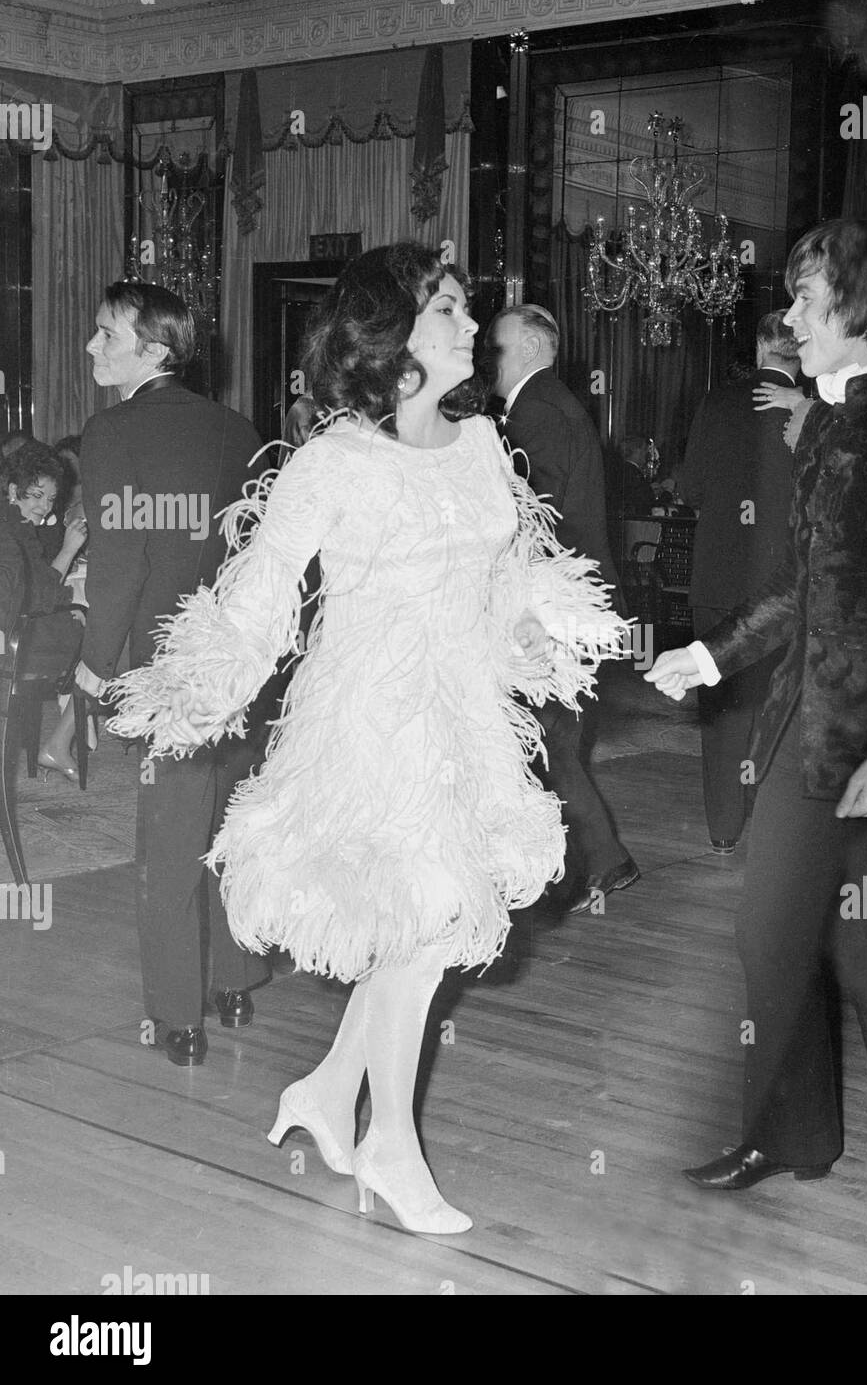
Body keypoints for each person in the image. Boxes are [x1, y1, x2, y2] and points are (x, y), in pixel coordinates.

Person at [107, 245, 624, 1234]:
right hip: (368, 725)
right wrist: (187, 689)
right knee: (422, 928)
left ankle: (323, 1089)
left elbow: (515, 569)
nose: (472, 325)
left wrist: (531, 625)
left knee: (423, 930)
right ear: (392, 337)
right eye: (447, 310)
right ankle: (387, 1138)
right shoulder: (332, 461)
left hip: (462, 716)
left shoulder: (480, 446)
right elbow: (257, 598)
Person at [645, 218, 867, 1278]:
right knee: (769, 945)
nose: (789, 321)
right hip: (805, 740)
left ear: (861, 307)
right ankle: (788, 1133)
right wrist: (712, 656)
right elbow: (805, 594)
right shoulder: (831, 433)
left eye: (806, 301)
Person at [75, 280, 271, 1067]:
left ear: (155, 350)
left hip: (164, 670)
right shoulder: (238, 427)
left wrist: (93, 669)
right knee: (225, 827)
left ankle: (176, 1018)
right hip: (236, 661)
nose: (92, 347)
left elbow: (121, 562)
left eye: (106, 336)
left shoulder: (112, 431)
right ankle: (233, 986)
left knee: (168, 842)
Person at [486, 302, 639, 916]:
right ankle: (595, 863)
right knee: (554, 739)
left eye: (495, 345)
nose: (485, 358)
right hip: (565, 600)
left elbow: (532, 516)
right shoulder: (549, 402)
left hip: (554, 604)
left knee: (548, 739)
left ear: (525, 348)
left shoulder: (538, 410)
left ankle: (595, 866)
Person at [676, 310, 805, 852]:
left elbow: (691, 490)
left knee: (723, 714)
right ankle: (782, 840)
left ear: (757, 348)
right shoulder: (816, 414)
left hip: (719, 580)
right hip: (788, 587)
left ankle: (724, 832)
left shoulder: (716, 402)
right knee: (786, 710)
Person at [0, 440, 88, 775]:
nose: (45, 507)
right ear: (13, 492)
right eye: (36, 496)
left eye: (50, 499)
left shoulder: (17, 525)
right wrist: (69, 549)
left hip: (15, 633)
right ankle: (59, 743)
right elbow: (37, 598)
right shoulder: (13, 533)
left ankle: (61, 742)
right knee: (103, 641)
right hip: (18, 644)